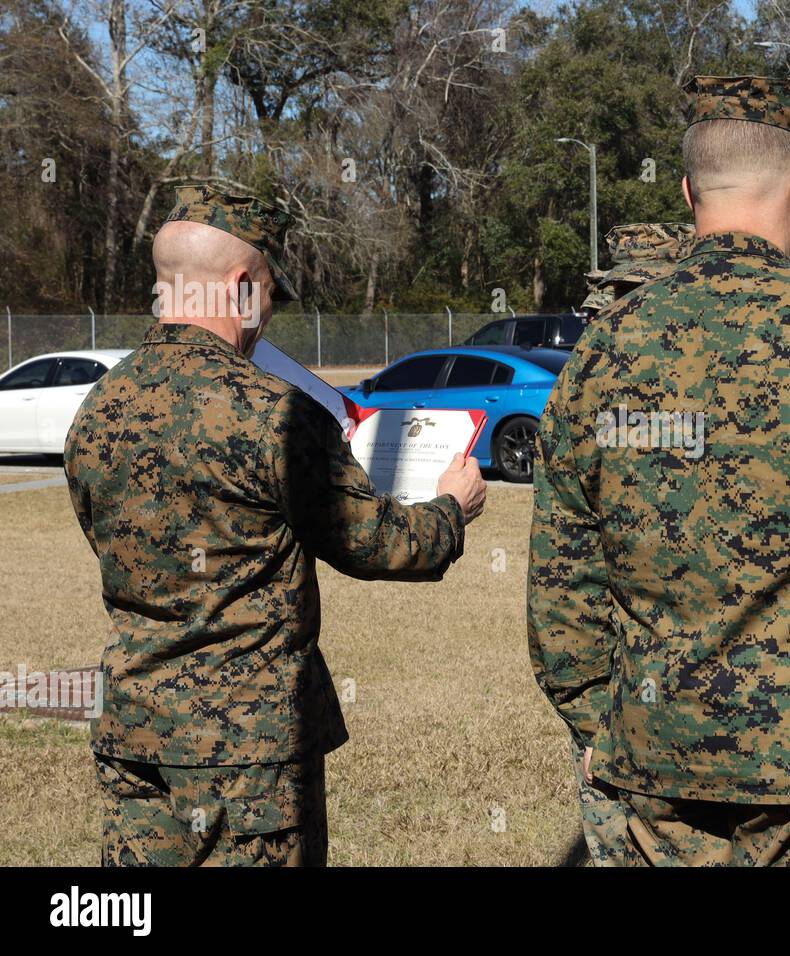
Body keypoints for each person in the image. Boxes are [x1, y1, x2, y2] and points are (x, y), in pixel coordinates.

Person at [528, 75, 790, 866]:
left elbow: (560, 570)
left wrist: (592, 721)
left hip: (652, 760)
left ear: (687, 191)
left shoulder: (605, 347)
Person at [64, 183, 486, 866]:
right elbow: (380, 544)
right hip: (249, 757)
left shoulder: (97, 411)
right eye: (265, 295)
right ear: (239, 287)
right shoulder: (275, 414)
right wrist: (450, 506)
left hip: (134, 735)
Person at [565, 220, 694, 866]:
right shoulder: (586, 396)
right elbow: (564, 580)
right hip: (617, 688)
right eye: (612, 299)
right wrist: (590, 717)